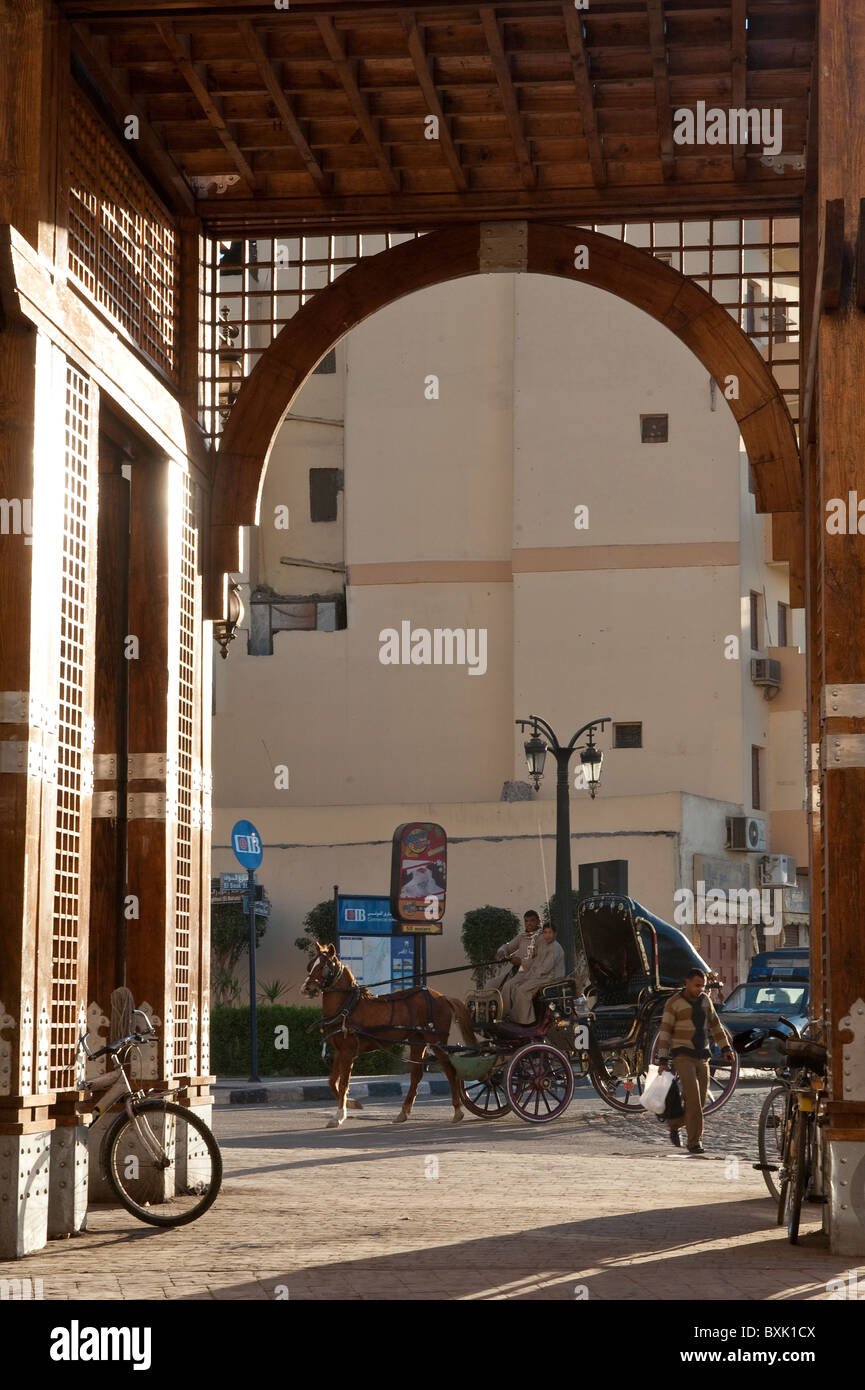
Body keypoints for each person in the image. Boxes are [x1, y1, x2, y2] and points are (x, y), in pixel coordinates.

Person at [656, 968, 734, 1155]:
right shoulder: (673, 1003)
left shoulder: (705, 1001)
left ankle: (675, 1123)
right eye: (697, 985)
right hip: (682, 1057)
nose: (700, 989)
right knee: (693, 1100)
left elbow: (715, 1025)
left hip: (703, 1057)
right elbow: (665, 1032)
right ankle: (694, 1143)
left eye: (703, 986)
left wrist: (726, 1048)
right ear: (687, 982)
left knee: (700, 1102)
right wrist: (663, 1060)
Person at [500, 922, 566, 1025]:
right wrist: (527, 976)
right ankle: (514, 1017)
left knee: (522, 990)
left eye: (550, 933)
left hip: (550, 978)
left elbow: (545, 968)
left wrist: (529, 978)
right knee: (515, 986)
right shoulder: (543, 945)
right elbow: (536, 963)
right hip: (540, 976)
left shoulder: (555, 948)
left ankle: (526, 1021)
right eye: (545, 932)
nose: (547, 935)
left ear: (555, 934)